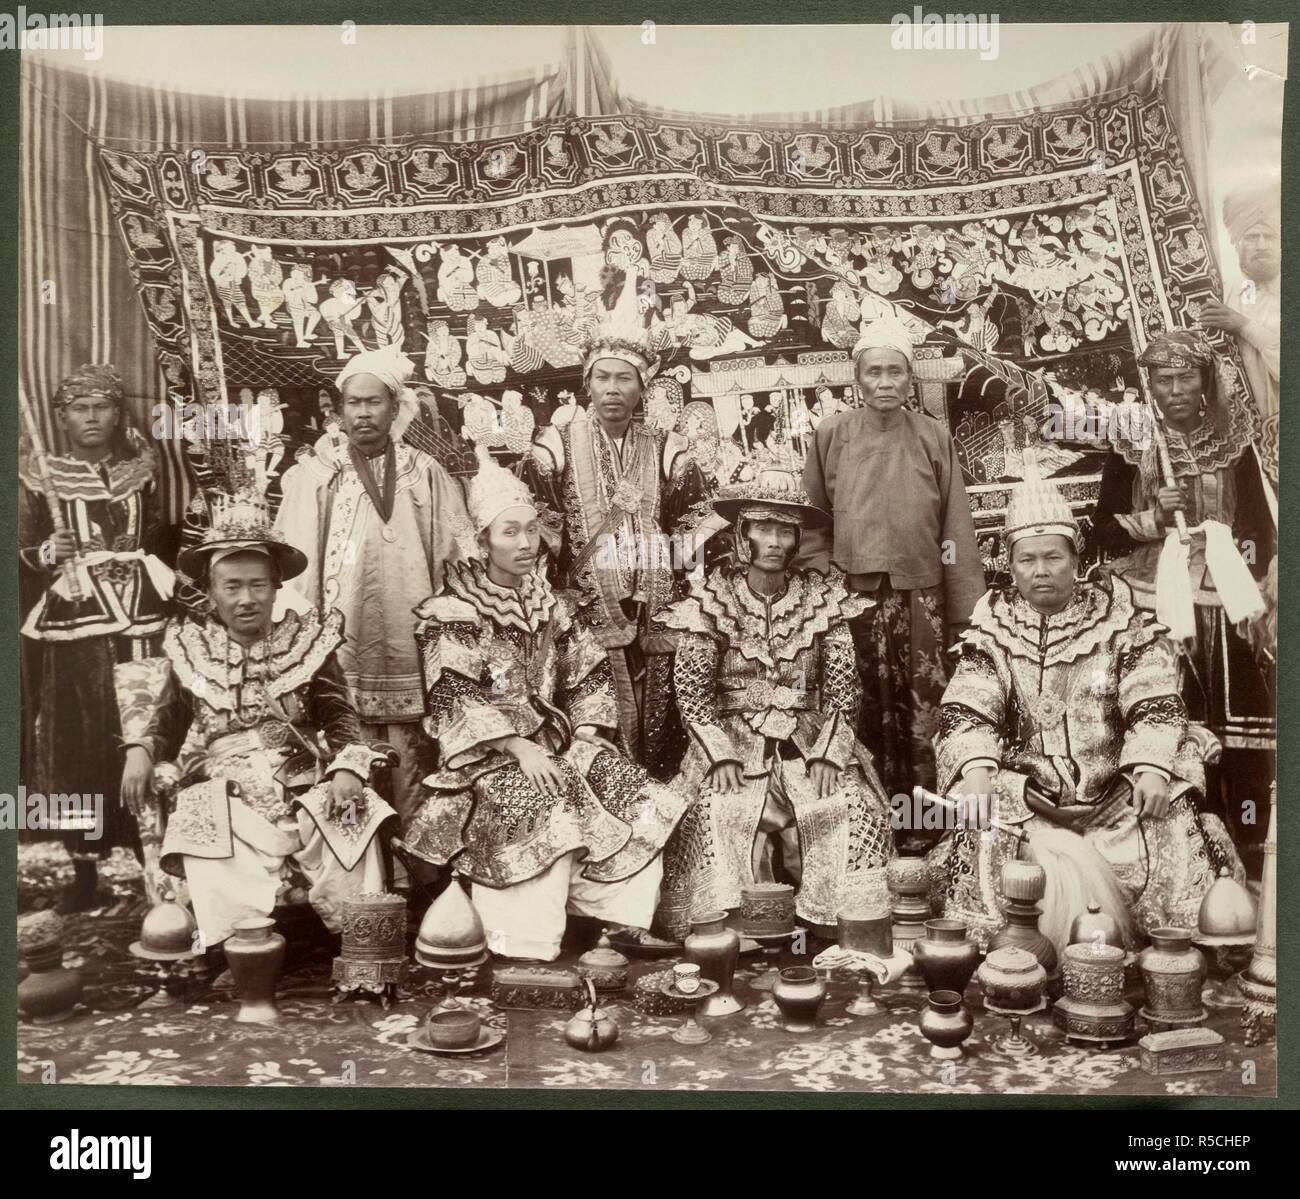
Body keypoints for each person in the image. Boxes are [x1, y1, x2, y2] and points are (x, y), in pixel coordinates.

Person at [927, 464, 1243, 949]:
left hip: (1114, 796)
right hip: (1027, 800)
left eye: (1052, 557)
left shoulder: (1122, 623)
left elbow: (1155, 702)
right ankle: (1010, 943)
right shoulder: (992, 630)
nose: (1040, 570)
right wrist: (975, 769)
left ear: (1075, 560)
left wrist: (1152, 768)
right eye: (1026, 559)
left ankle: (1176, 938)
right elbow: (967, 710)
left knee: (1174, 806)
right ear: (1010, 567)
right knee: (981, 822)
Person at [401, 450, 688, 961]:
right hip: (486, 757)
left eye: (532, 530)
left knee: (635, 787)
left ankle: (618, 920)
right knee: (540, 802)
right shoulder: (457, 608)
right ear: (484, 538)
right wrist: (516, 747)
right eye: (509, 531)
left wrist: (586, 735)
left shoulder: (549, 602)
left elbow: (588, 671)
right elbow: (452, 692)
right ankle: (523, 944)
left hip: (555, 746)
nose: (525, 543)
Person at [120, 490, 396, 953]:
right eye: (231, 587)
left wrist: (348, 767)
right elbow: (166, 721)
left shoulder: (308, 643)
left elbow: (339, 714)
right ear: (210, 592)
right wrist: (140, 749)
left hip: (306, 781)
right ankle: (242, 949)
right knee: (202, 820)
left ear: (275, 587)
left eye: (258, 585)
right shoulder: (194, 652)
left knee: (355, 810)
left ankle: (362, 947)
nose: (246, 599)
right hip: (229, 792)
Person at [653, 460, 896, 939]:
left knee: (851, 803)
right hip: (733, 741)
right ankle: (733, 926)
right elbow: (692, 691)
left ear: (797, 538)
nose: (774, 542)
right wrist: (718, 754)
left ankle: (833, 922)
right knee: (719, 811)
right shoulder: (710, 601)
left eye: (785, 530)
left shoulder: (824, 601)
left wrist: (830, 752)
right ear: (742, 535)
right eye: (763, 528)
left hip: (808, 737)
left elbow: (845, 688)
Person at [274, 346, 470, 860]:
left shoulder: (424, 471)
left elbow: (453, 554)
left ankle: (418, 866)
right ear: (338, 411)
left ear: (394, 406)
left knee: (411, 750)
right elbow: (297, 563)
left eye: (374, 402)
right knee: (347, 736)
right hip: (344, 640)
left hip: (412, 638)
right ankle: (363, 867)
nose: (363, 413)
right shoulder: (318, 473)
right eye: (353, 403)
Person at [1090, 330, 1274, 854]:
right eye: (1163, 379)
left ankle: (1244, 834)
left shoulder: (1236, 441)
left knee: (1235, 713)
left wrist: (1236, 557)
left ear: (1205, 380)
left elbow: (1260, 526)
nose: (1175, 389)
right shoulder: (1132, 446)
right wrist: (1151, 516)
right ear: (1149, 384)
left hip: (1225, 596)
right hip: (1154, 594)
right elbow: (1101, 530)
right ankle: (1170, 835)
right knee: (1166, 707)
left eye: (1185, 377)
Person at [802, 318, 984, 797]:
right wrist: (825, 588)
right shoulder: (831, 434)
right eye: (874, 372)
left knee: (927, 710)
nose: (885, 382)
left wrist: (966, 616)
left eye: (896, 372)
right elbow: (812, 521)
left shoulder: (932, 435)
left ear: (911, 377)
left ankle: (927, 822)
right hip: (850, 603)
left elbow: (955, 529)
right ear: (856, 377)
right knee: (856, 708)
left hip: (921, 598)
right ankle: (869, 822)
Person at [20, 364, 175, 910]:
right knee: (80, 737)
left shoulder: (142, 471)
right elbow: (18, 548)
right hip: (76, 618)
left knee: (142, 725)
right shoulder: (39, 476)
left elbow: (158, 537)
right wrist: (46, 553)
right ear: (62, 418)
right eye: (80, 409)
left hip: (141, 609)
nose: (92, 418)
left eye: (102, 407)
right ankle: (85, 869)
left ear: (116, 413)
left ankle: (150, 854)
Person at [524, 328, 706, 775]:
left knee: (660, 720)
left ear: (642, 387)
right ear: (587, 384)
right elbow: (539, 530)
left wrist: (682, 589)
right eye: (601, 377)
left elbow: (692, 527)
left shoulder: (667, 447)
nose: (611, 388)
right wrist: (552, 598)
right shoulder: (556, 444)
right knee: (595, 718)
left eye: (624, 379)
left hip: (655, 608)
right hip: (584, 612)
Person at [1199, 184, 1280, 429]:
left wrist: (1242, 325)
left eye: (1270, 236)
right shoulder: (1228, 293)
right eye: (1252, 237)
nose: (1262, 245)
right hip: (1243, 433)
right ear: (1236, 243)